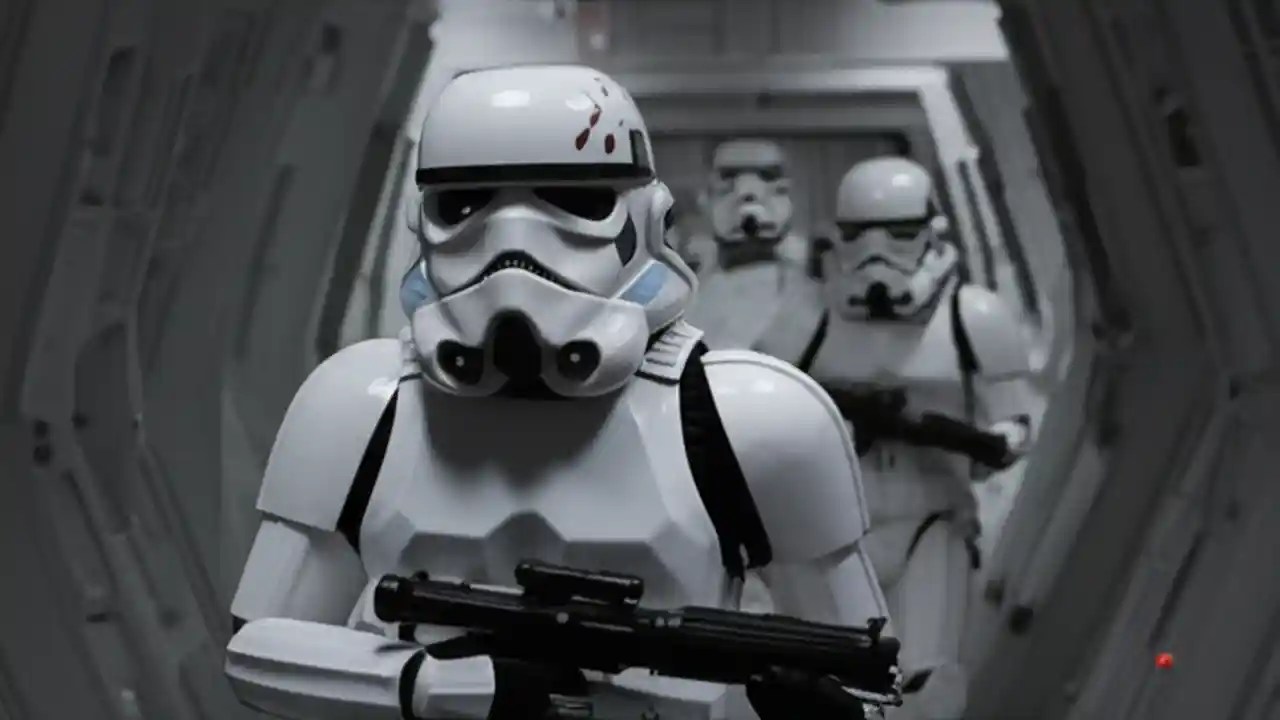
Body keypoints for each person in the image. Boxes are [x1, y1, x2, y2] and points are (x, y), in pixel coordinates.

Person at [222, 64, 894, 720]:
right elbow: (256, 650)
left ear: (648, 218)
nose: (513, 246)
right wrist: (432, 686)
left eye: (575, 202)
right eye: (464, 206)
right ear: (421, 219)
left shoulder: (751, 419)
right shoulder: (362, 405)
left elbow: (865, 675)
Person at [796, 155, 1038, 720]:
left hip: (932, 521)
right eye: (861, 235)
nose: (878, 254)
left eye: (900, 234)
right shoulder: (809, 318)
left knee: (932, 683)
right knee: (832, 686)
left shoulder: (972, 317)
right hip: (830, 533)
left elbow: (1017, 423)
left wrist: (974, 439)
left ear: (931, 233)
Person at [680, 139, 823, 358]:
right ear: (705, 198)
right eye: (728, 182)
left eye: (768, 178)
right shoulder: (683, 294)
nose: (748, 196)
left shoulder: (814, 298)